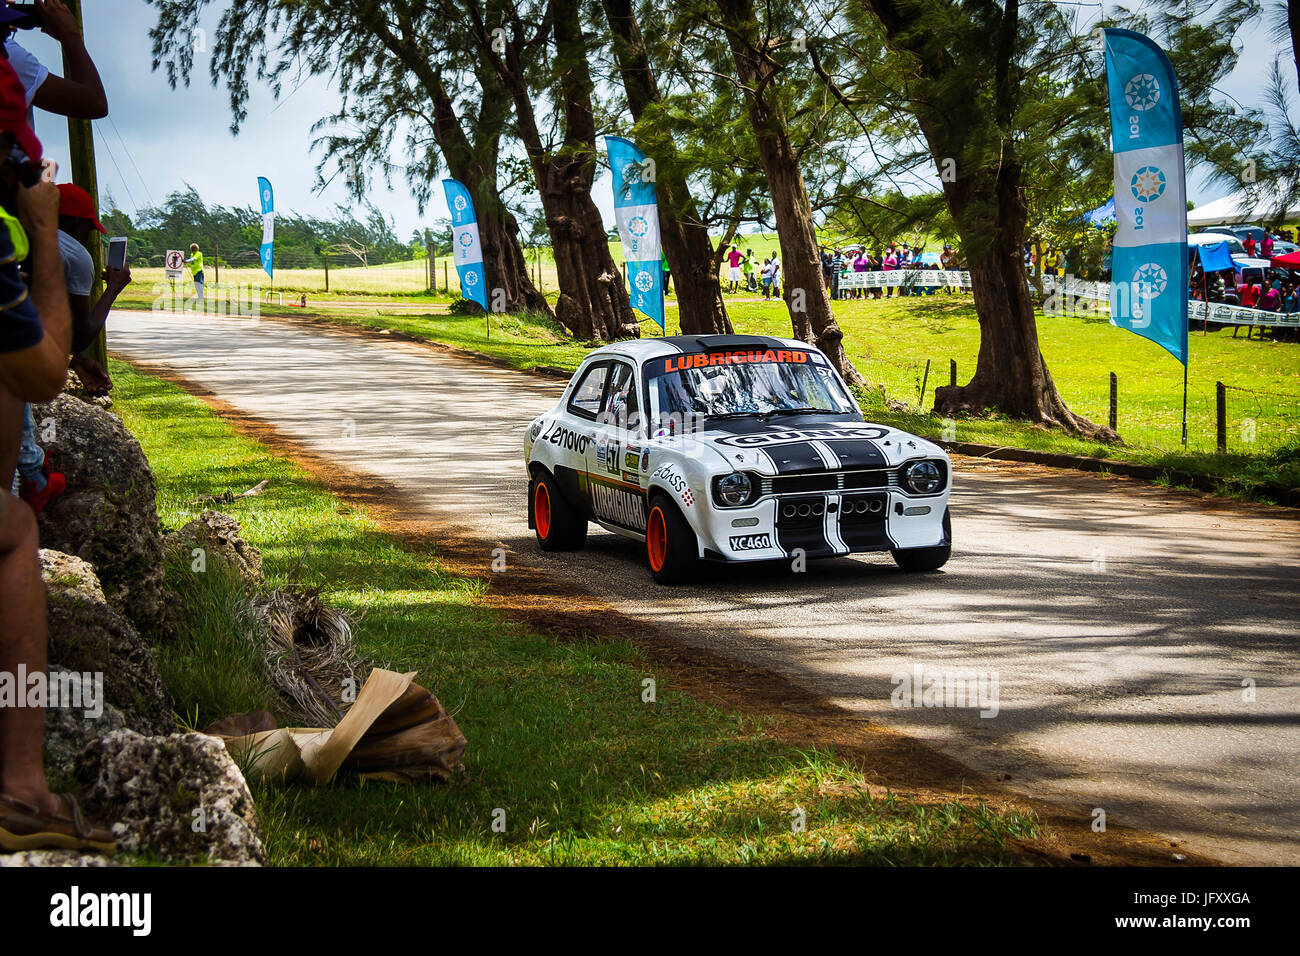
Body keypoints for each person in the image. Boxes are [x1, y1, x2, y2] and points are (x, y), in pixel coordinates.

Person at [0, 54, 114, 855]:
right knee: (12, 531)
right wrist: (42, 235)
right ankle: (23, 786)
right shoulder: (49, 246)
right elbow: (46, 371)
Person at [184, 242, 205, 308]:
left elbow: (194, 259)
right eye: (192, 248)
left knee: (199, 284)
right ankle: (199, 297)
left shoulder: (199, 254)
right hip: (194, 272)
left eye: (194, 248)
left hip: (199, 271)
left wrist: (186, 261)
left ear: (196, 248)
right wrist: (187, 262)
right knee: (196, 285)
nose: (193, 249)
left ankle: (201, 298)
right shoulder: (191, 254)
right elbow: (192, 261)